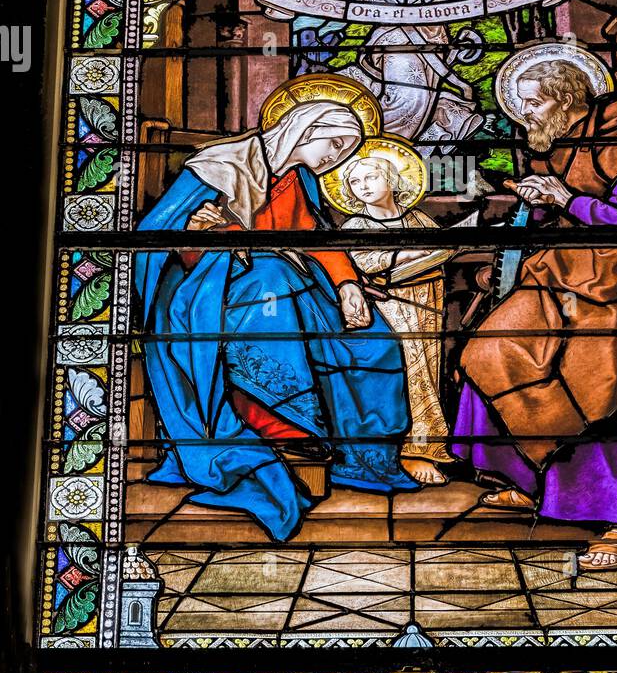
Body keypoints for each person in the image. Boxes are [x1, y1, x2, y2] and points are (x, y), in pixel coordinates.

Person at [135, 91, 416, 543]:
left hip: (284, 284)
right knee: (274, 280)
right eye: (337, 144)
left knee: (370, 337)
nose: (339, 156)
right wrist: (201, 234)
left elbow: (313, 239)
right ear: (307, 132)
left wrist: (347, 286)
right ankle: (293, 431)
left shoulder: (298, 180)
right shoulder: (216, 167)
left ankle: (362, 460)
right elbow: (158, 239)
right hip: (209, 290)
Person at [453, 51, 617, 569]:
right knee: (489, 351)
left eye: (533, 103)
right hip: (558, 272)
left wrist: (567, 201)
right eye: (520, 108)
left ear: (565, 97)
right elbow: (556, 211)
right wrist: (538, 199)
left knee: (602, 381)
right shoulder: (555, 145)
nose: (527, 117)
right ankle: (529, 477)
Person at [334, 143, 455, 486]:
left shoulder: (417, 217)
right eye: (356, 183)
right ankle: (411, 450)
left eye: (371, 177)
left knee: (429, 370)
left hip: (429, 296)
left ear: (390, 178)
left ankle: (429, 446)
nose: (364, 186)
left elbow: (440, 248)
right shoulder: (356, 225)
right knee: (406, 370)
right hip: (389, 303)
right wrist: (410, 252)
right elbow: (366, 261)